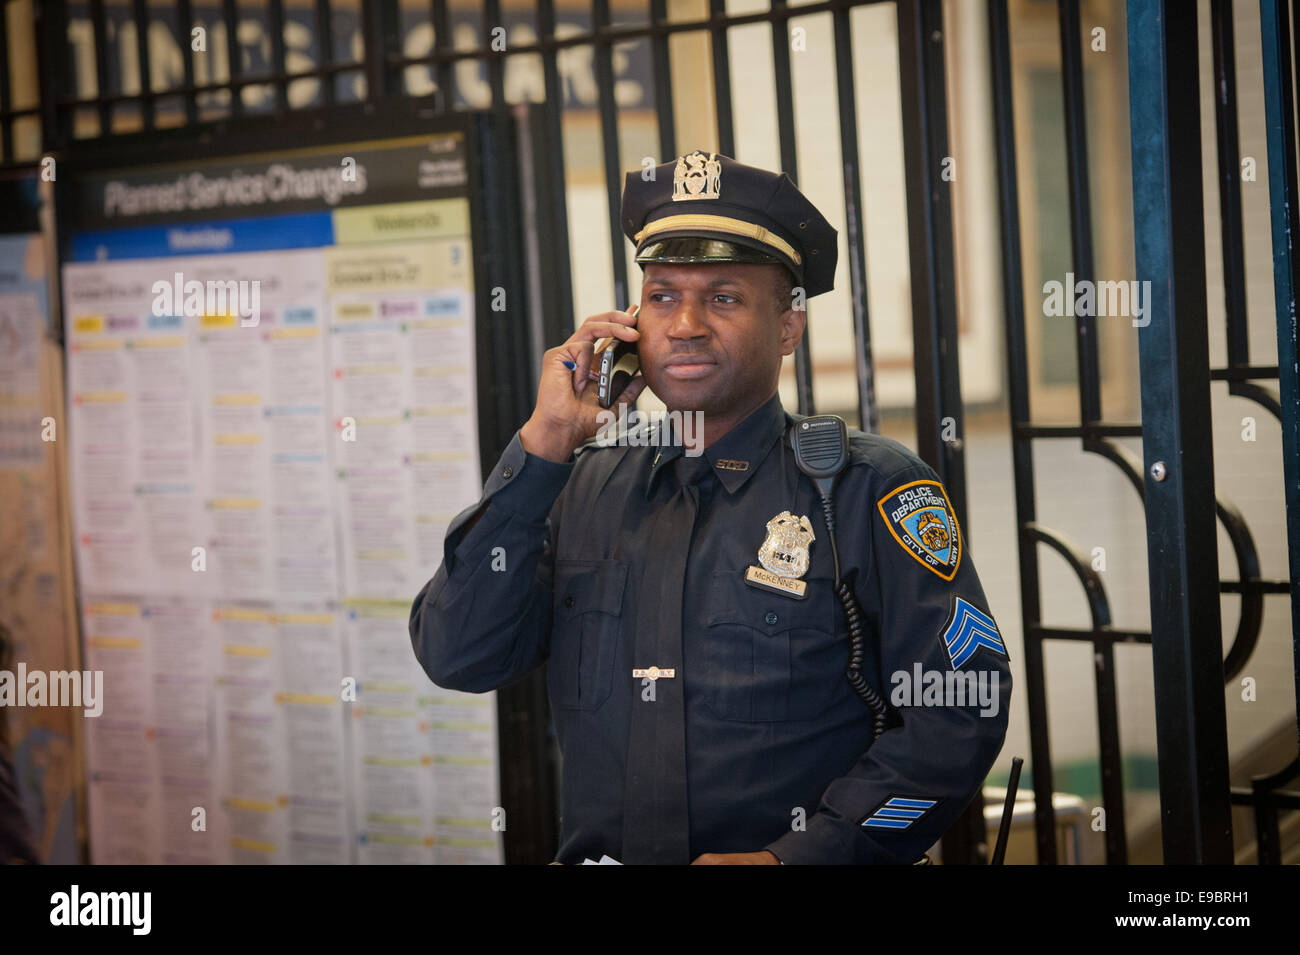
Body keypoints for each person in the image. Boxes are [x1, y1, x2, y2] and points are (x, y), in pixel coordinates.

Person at [410, 151, 1011, 864]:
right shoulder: (581, 485)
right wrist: (541, 447)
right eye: (662, 296)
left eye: (723, 297)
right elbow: (457, 654)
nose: (686, 323)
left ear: (788, 326)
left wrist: (806, 857)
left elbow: (961, 710)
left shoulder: (866, 488)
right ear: (630, 323)